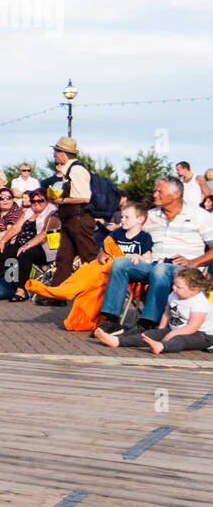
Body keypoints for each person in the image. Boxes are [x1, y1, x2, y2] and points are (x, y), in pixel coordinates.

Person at [94, 175, 213, 335]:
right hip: (152, 264)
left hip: (185, 270)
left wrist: (193, 262)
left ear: (176, 194)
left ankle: (147, 323)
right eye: (154, 191)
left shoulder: (200, 216)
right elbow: (120, 233)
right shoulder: (151, 216)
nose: (154, 195)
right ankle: (111, 320)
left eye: (159, 191)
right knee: (120, 263)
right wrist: (103, 250)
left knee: (161, 269)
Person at [95, 268, 213, 355]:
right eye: (174, 285)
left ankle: (161, 347)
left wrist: (171, 334)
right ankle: (117, 341)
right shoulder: (174, 295)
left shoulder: (199, 303)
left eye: (179, 287)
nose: (174, 288)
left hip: (202, 335)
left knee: (180, 340)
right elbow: (167, 312)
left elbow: (192, 327)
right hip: (177, 329)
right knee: (149, 334)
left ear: (194, 290)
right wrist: (161, 331)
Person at [48, 136, 98, 284]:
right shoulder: (70, 169)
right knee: (64, 258)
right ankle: (56, 294)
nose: (54, 155)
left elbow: (86, 198)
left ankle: (104, 293)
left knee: (90, 257)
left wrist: (61, 201)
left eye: (56, 151)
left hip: (79, 220)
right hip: (71, 221)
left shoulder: (76, 170)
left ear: (62, 153)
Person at [9, 190, 60, 301]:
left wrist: (27, 245)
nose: (36, 203)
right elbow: (15, 227)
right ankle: (4, 288)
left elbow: (44, 234)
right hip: (23, 243)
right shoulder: (28, 211)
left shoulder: (53, 212)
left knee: (24, 254)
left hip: (44, 248)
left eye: (40, 200)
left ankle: (21, 290)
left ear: (46, 200)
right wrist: (2, 242)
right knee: (2, 252)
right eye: (33, 201)